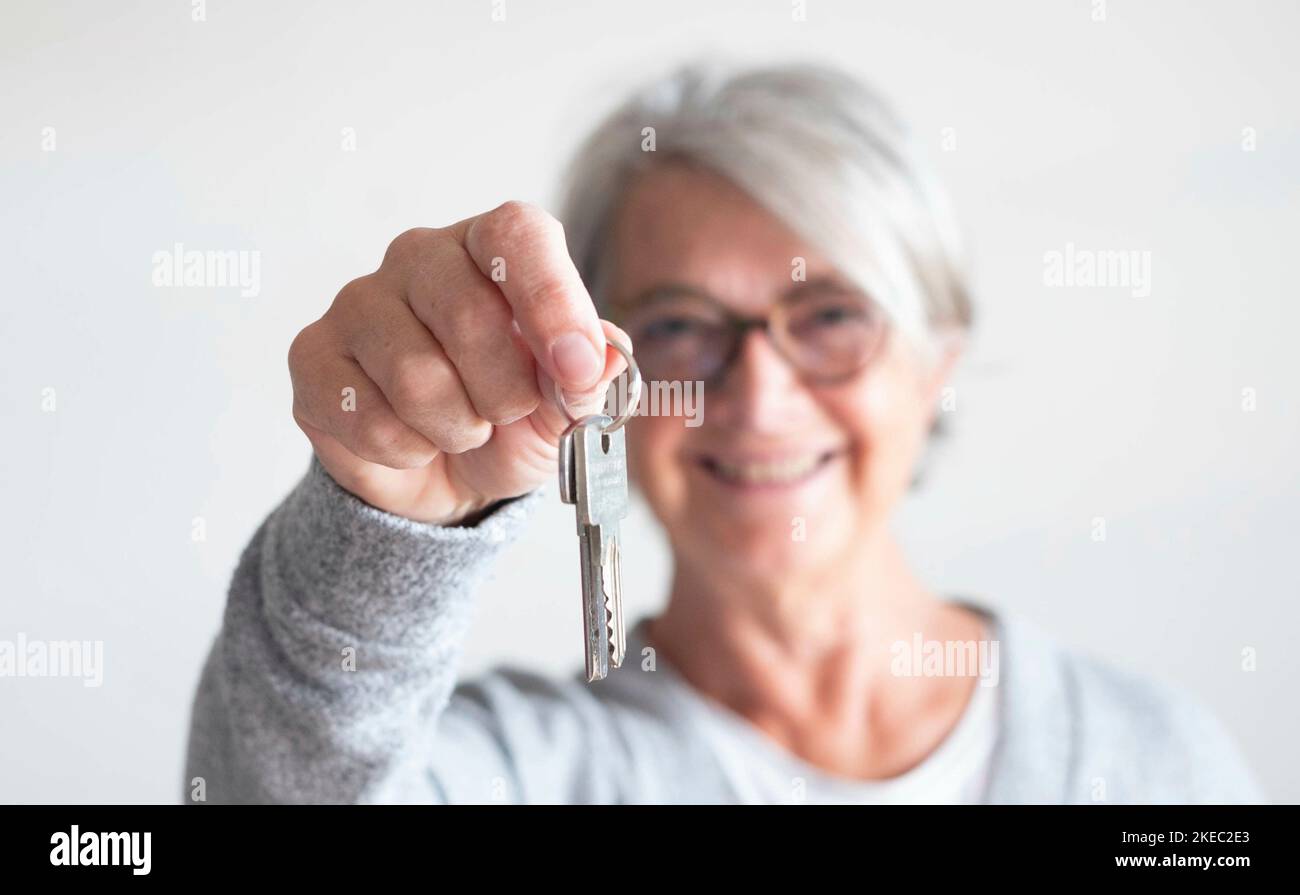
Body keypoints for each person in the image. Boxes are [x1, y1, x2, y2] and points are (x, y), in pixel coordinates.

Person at [185, 62, 1263, 804]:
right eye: (678, 327)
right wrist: (376, 536)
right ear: (593, 371)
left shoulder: (1153, 759)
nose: (757, 393)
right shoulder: (527, 770)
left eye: (832, 317)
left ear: (936, 364)